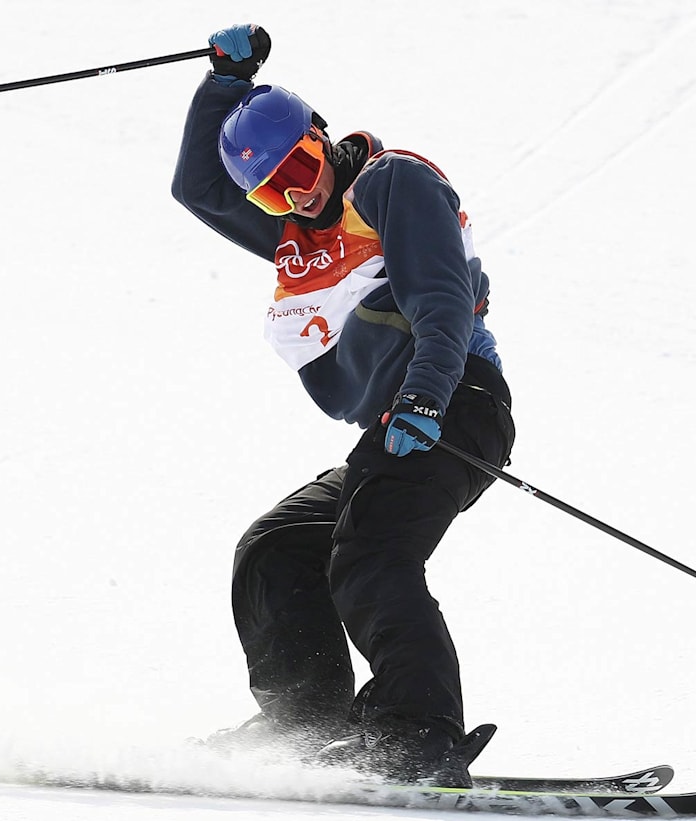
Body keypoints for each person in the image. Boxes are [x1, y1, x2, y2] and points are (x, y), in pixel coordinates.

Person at [170, 24, 517, 787]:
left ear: (321, 138)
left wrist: (426, 394)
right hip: (397, 424)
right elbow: (199, 189)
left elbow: (441, 298)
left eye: (299, 168)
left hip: (455, 399)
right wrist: (224, 85)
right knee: (278, 547)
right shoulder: (299, 233)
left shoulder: (391, 185)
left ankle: (418, 735)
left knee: (371, 554)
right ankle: (305, 722)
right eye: (271, 190)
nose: (295, 194)